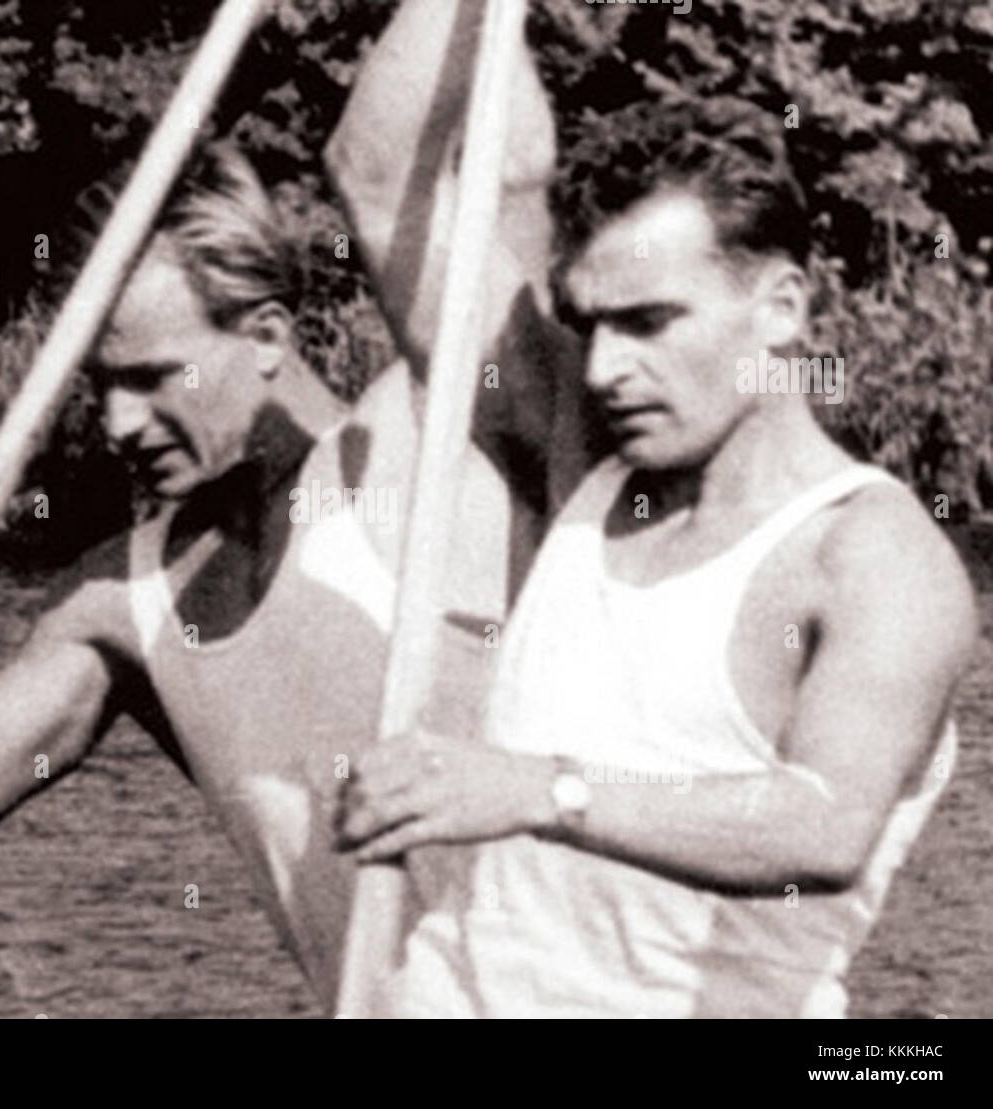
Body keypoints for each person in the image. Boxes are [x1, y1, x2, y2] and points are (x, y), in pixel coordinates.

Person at [0, 0, 585, 1014]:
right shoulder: (127, 600)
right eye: (97, 385)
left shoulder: (452, 440)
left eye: (149, 376)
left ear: (266, 334)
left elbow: (444, 163)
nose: (117, 422)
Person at [337, 96, 981, 1017]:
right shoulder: (585, 467)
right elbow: (377, 167)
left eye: (648, 323)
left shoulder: (876, 558)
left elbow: (824, 826)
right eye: (589, 323)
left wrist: (541, 790)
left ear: (782, 309)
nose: (602, 370)